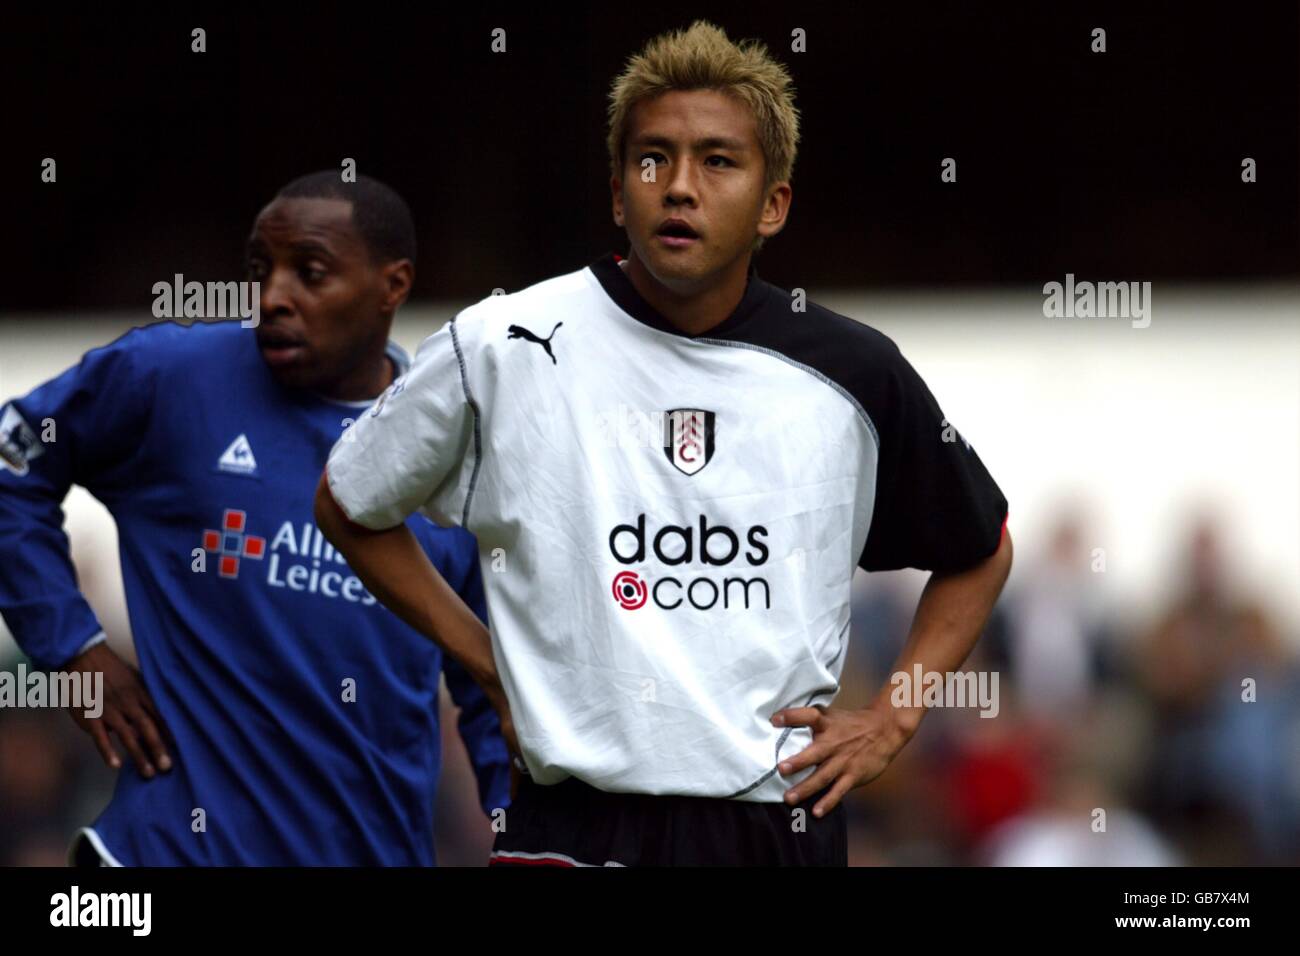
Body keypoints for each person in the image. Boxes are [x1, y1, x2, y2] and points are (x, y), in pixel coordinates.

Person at [316, 21, 1011, 866]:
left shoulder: (855, 372)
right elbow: (351, 499)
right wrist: (486, 661)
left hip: (772, 826)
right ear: (618, 192)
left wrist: (895, 715)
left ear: (773, 204)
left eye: (718, 161)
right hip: (570, 824)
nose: (679, 186)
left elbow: (982, 547)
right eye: (653, 159)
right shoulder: (503, 342)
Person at [0, 171, 509, 865]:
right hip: (163, 853)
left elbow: (492, 692)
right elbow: (13, 465)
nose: (273, 298)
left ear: (393, 286)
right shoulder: (172, 379)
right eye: (259, 270)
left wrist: (519, 833)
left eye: (311, 273)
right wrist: (73, 648)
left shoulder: (451, 454)